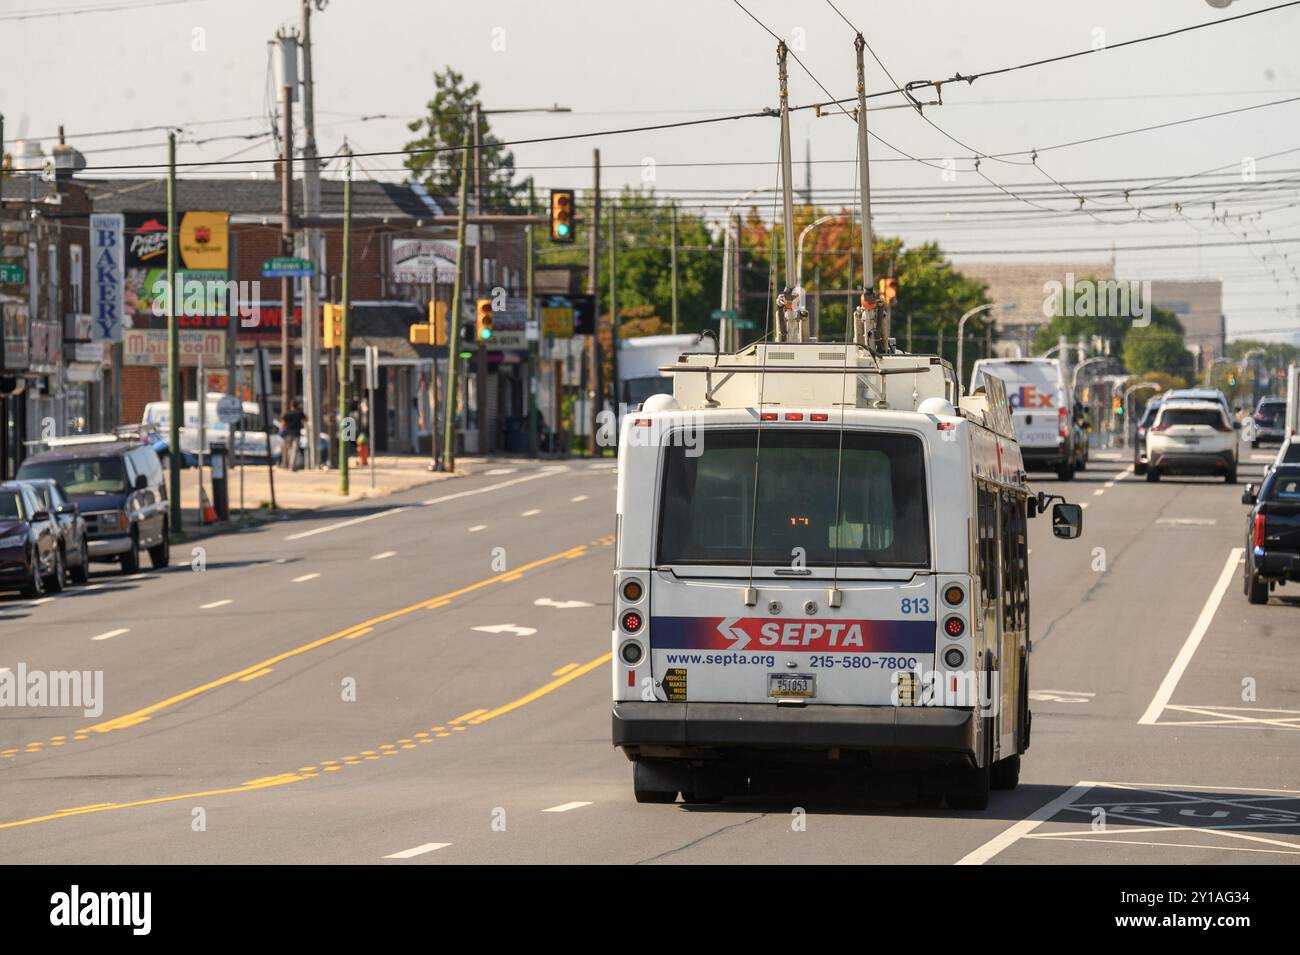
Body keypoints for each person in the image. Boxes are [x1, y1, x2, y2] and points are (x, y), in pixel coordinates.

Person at [281, 399, 305, 470]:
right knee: (295, 450)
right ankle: (292, 466)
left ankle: (290, 465)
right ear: (297, 406)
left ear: (291, 406)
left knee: (289, 450)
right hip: (296, 434)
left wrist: (282, 430)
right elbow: (306, 419)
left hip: (288, 434)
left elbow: (283, 423)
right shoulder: (299, 413)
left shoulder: (287, 413)